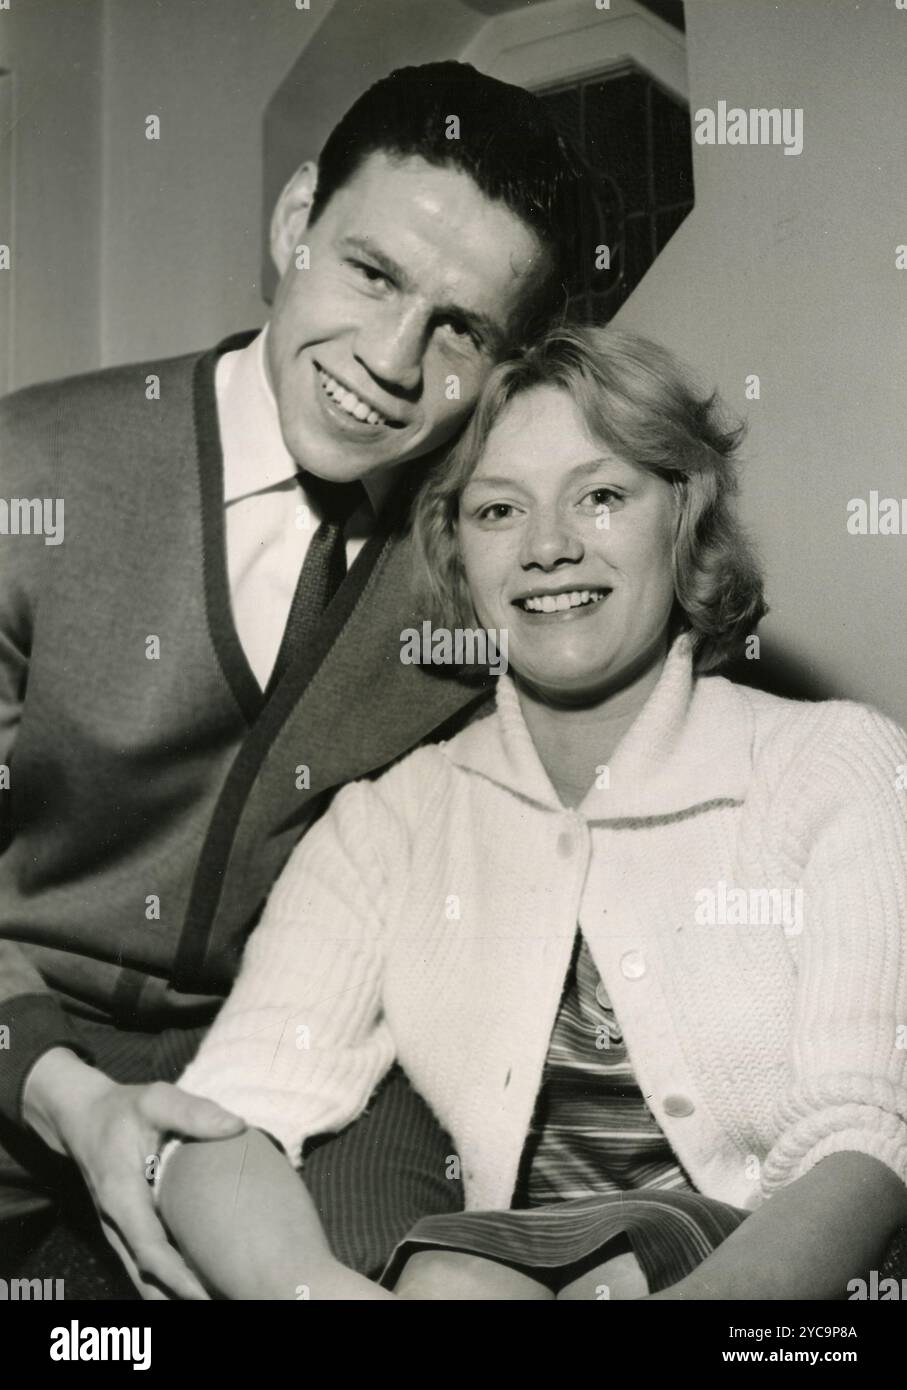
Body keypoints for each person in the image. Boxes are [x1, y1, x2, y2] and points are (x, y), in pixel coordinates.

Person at [153, 325, 907, 1300]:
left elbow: (863, 1132)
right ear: (457, 554)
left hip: (757, 1273)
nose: (549, 547)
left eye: (600, 495)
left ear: (683, 519)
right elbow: (223, 1123)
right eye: (500, 508)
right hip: (480, 1271)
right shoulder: (385, 825)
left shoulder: (838, 765)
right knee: (447, 1280)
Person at [0, 62, 593, 1297]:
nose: (387, 358)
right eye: (370, 273)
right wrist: (65, 1092)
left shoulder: (495, 560)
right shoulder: (32, 472)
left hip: (271, 1105)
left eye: (459, 328)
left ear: (505, 365)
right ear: (292, 225)